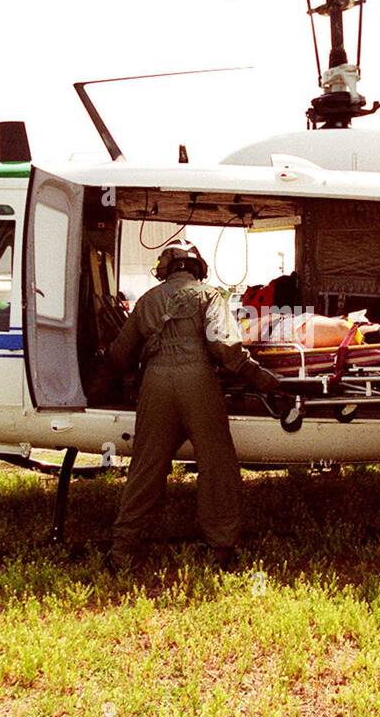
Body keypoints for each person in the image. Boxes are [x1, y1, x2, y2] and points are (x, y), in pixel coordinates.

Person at [106, 239, 279, 570]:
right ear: (198, 267)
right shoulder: (209, 295)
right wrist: (256, 374)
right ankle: (221, 551)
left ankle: (123, 551)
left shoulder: (146, 301)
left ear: (166, 269)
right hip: (198, 383)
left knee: (146, 467)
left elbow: (119, 354)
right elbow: (223, 346)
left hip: (155, 387)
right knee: (217, 464)